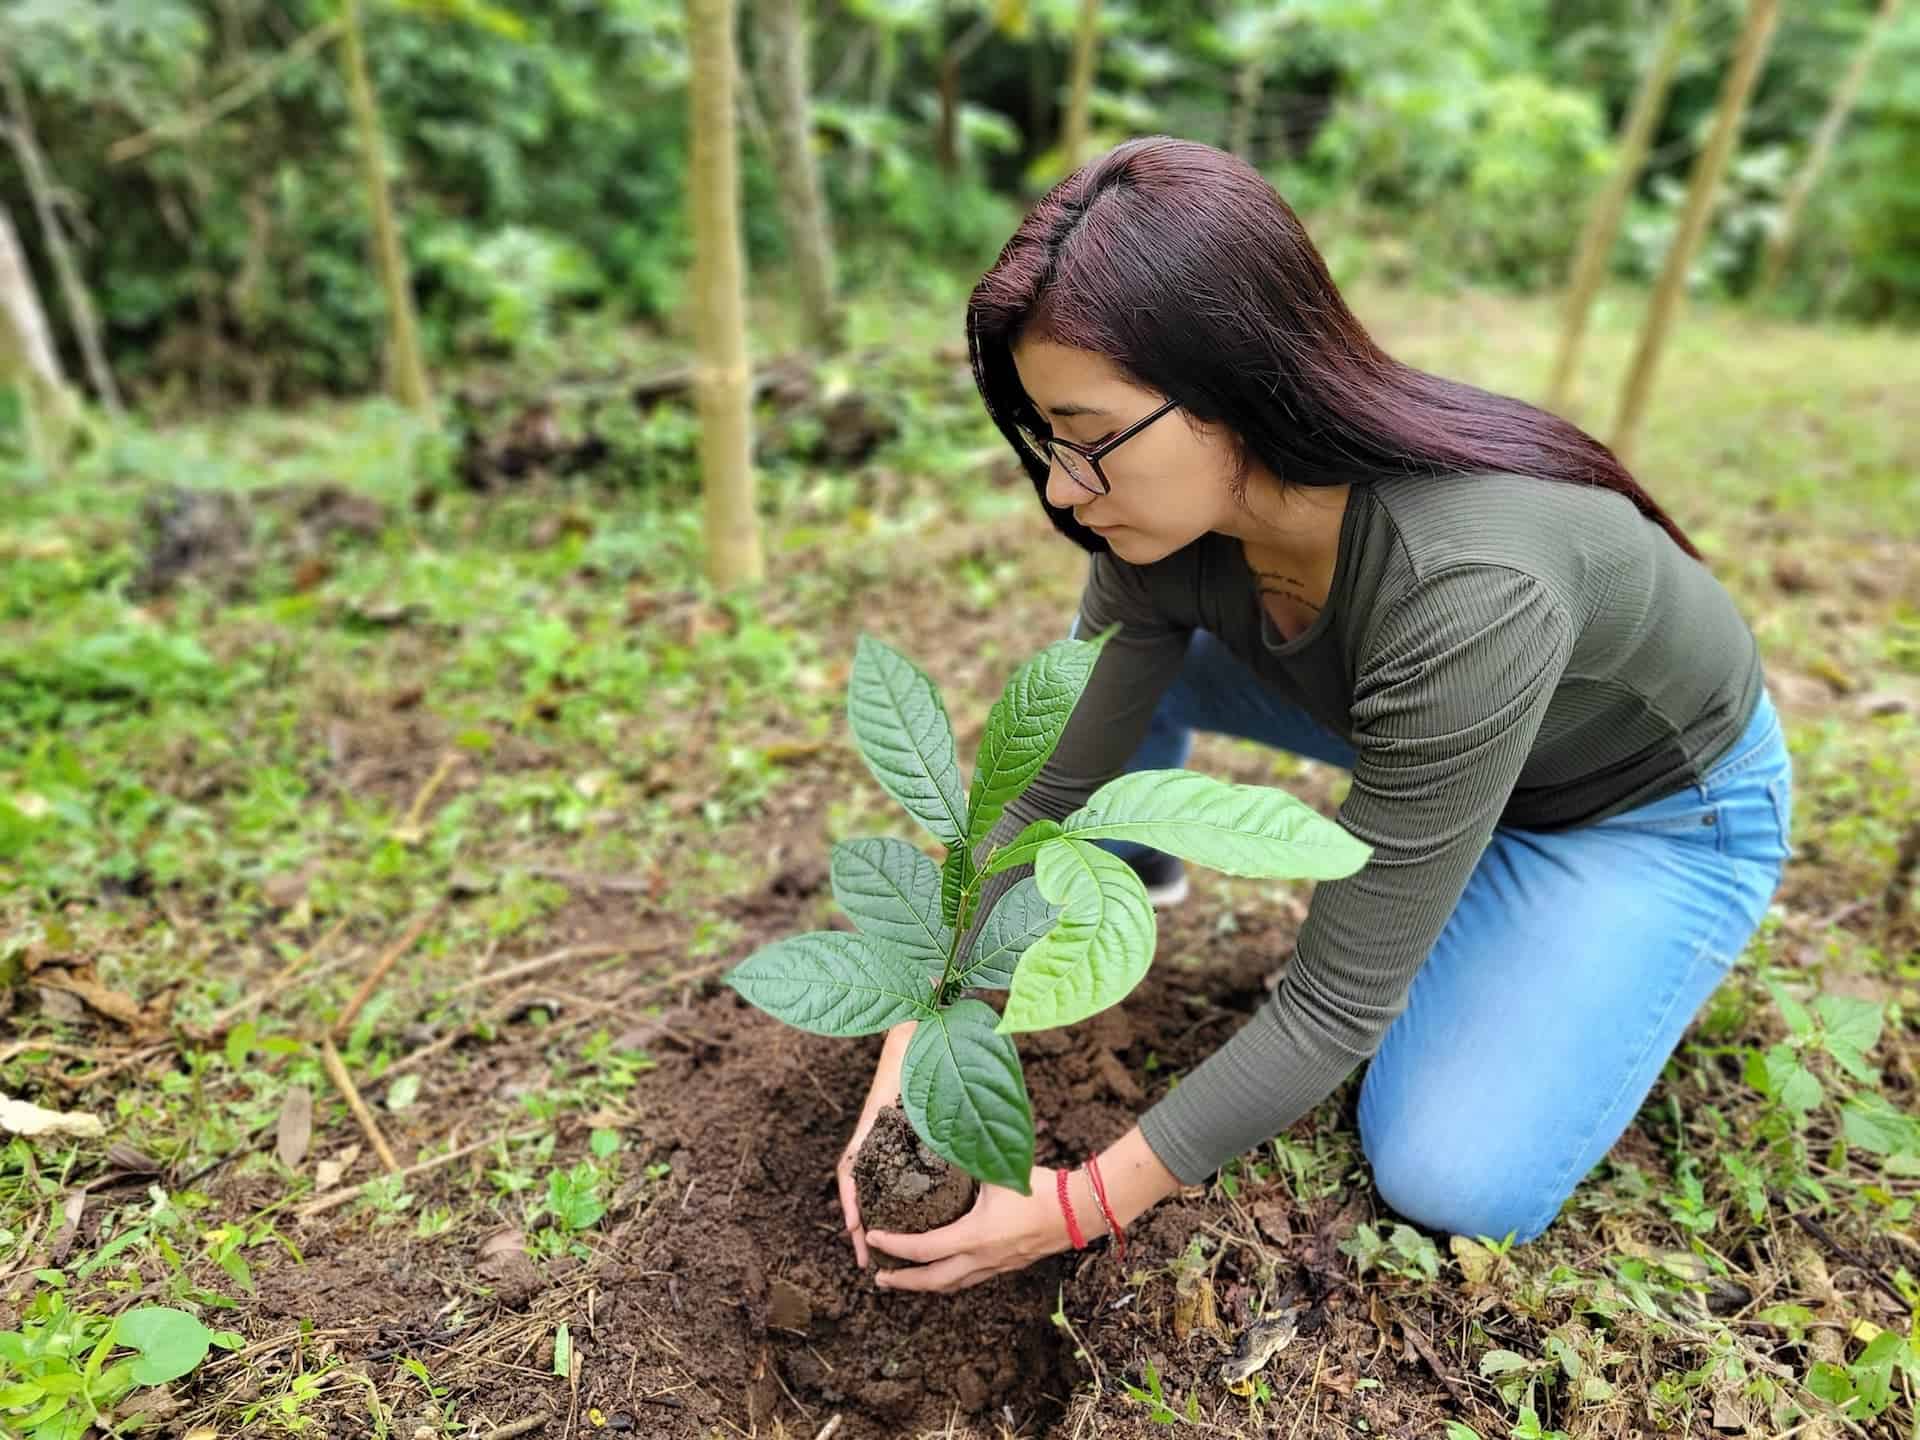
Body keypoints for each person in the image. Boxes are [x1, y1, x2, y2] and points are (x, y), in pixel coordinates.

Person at [834, 136, 1792, 1295]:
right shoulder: (1159, 529)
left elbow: (1332, 1003)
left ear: (1234, 382)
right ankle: (1136, 871)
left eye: (1090, 437)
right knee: (1113, 679)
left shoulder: (1469, 589)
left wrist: (1073, 1207)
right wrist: (916, 1043)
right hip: (1405, 711)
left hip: (1638, 809)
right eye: (1047, 437)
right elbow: (1039, 786)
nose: (1060, 488)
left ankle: (1566, 927)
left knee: (1452, 1176)